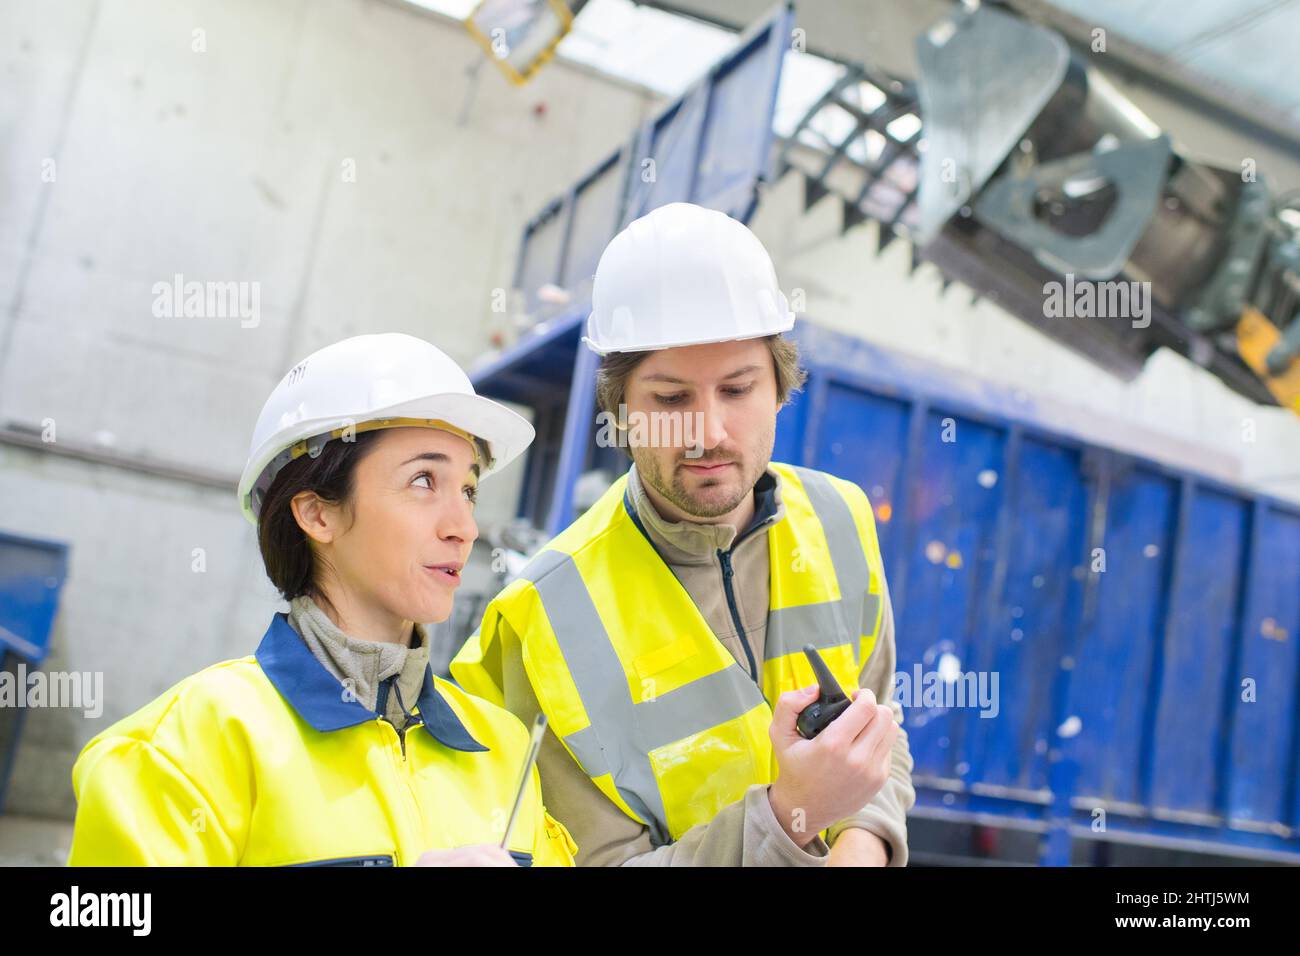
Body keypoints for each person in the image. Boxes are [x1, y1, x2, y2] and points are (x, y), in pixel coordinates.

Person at [452, 202, 915, 866]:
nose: (708, 432)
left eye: (737, 389)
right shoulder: (542, 619)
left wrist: (860, 845)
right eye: (671, 400)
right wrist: (786, 818)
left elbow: (876, 736)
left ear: (780, 389)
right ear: (622, 408)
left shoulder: (839, 518)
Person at [69, 333, 577, 866]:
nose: (464, 527)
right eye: (424, 480)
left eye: (468, 490)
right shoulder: (186, 747)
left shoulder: (503, 749)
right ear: (317, 514)